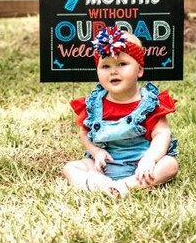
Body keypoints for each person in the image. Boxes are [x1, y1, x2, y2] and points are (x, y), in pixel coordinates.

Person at [61, 26, 179, 197]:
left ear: (139, 70)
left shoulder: (149, 103)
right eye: (105, 66)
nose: (114, 71)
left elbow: (162, 134)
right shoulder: (93, 104)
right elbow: (84, 133)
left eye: (122, 64)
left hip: (141, 165)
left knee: (169, 164)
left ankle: (127, 184)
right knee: (70, 167)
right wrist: (96, 152)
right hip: (104, 164)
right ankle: (98, 182)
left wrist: (150, 159)